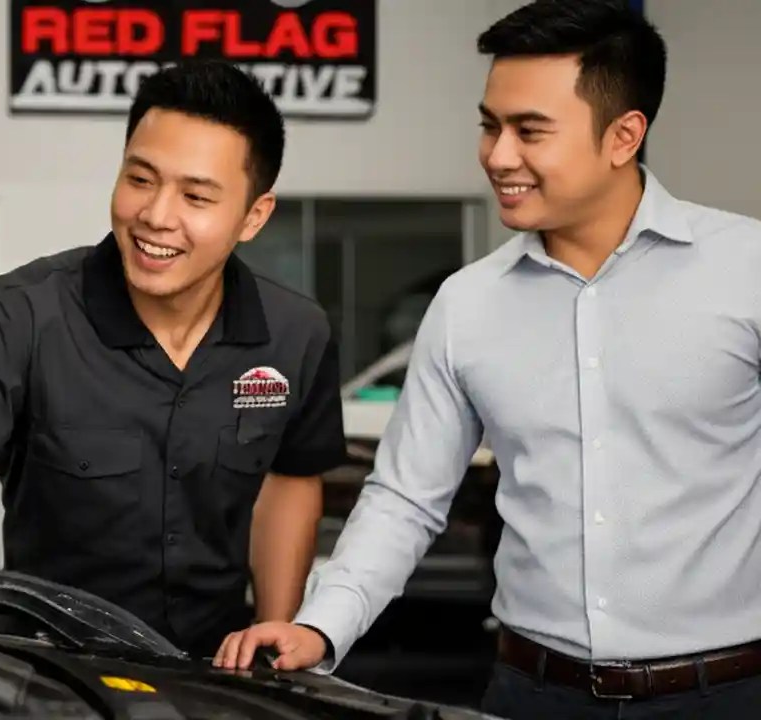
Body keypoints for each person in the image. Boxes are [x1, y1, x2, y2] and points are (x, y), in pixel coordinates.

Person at [214, 0, 761, 717]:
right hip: (529, 693)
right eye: (490, 125)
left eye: (530, 131)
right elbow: (406, 500)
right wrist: (321, 625)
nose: (498, 155)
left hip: (726, 695)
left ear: (624, 135)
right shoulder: (467, 304)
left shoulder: (744, 269)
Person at [0, 59, 348, 659]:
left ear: (254, 216)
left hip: (216, 681)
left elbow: (288, 484)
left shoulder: (295, 334)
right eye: (140, 179)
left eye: (196, 196)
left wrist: (276, 630)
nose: (156, 215)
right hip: (55, 677)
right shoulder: (23, 316)